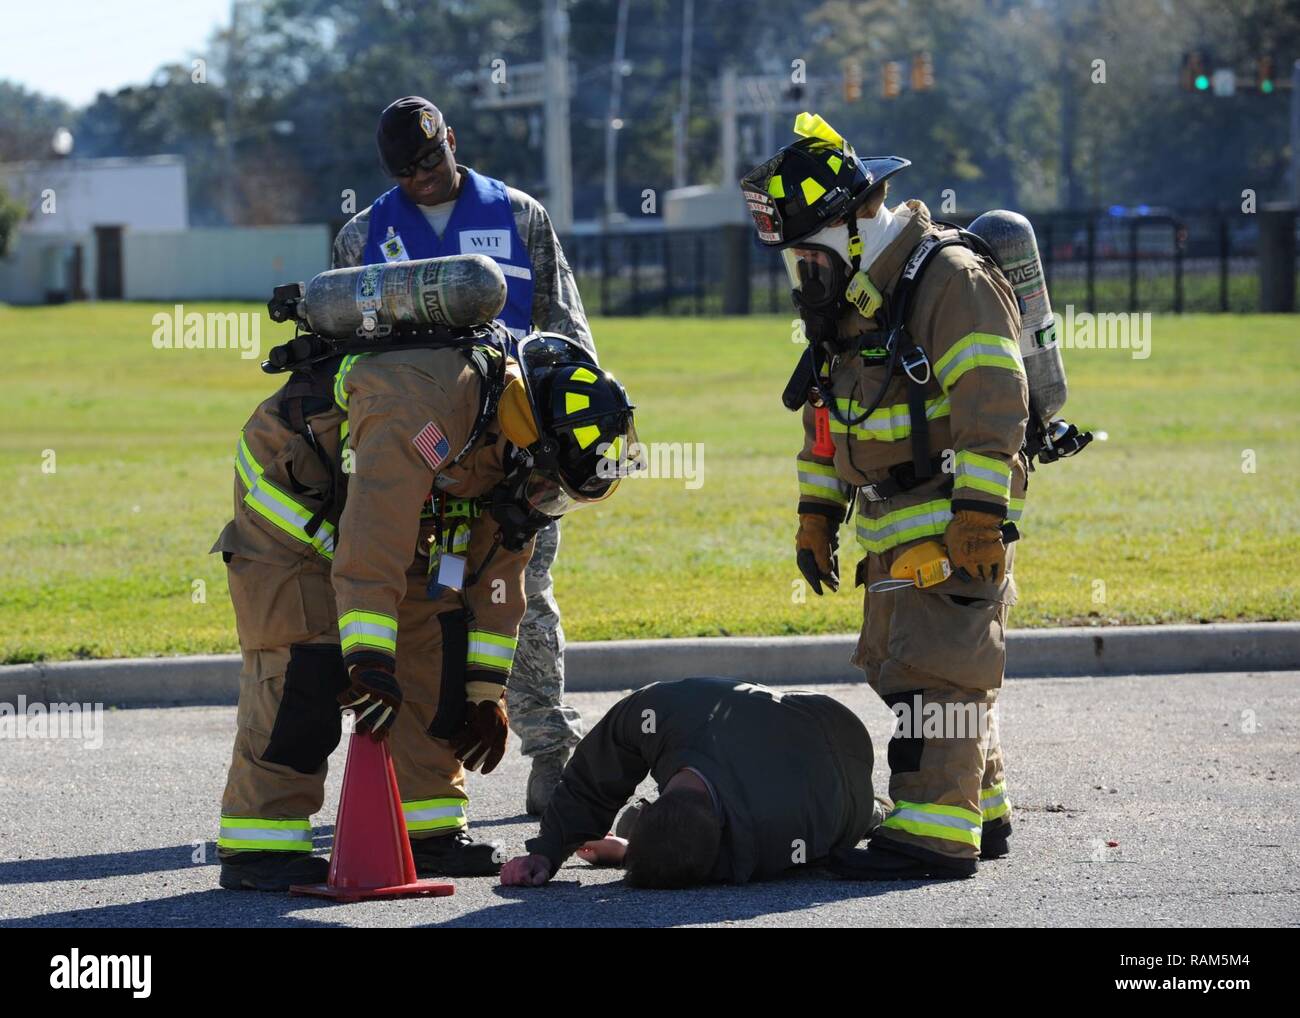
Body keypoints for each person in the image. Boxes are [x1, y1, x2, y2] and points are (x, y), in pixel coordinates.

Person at [214, 326, 636, 890]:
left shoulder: (513, 441)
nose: (542, 502)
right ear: (530, 439)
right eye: (547, 487)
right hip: (292, 516)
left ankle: (428, 830)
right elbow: (372, 541)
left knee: (438, 657)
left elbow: (497, 576)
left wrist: (485, 694)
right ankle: (259, 844)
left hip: (386, 519)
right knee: (307, 667)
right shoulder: (417, 406)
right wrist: (367, 659)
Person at [737, 112, 1027, 879]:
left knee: (939, 674)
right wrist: (816, 513)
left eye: (811, 254)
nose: (806, 274)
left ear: (858, 224)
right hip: (893, 523)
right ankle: (980, 811)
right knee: (926, 666)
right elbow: (828, 419)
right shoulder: (858, 302)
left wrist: (980, 516)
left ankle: (932, 834)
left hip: (951, 519)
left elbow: (995, 400)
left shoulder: (948, 281)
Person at [332, 95, 590, 815]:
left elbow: (566, 334)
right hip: (417, 464)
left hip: (515, 452)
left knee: (523, 598)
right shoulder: (363, 237)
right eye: (405, 171)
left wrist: (568, 448)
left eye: (430, 160)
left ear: (452, 140)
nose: (421, 179)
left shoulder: (519, 215)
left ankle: (552, 759)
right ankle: (411, 783)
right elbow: (344, 364)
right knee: (418, 607)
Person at [500, 677, 882, 888]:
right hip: (830, 725)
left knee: (865, 814)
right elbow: (589, 778)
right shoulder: (651, 713)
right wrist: (548, 851)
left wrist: (627, 851)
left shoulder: (765, 839)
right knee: (653, 831)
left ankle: (878, 811)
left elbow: (713, 863)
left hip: (842, 769)